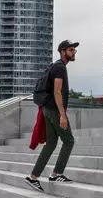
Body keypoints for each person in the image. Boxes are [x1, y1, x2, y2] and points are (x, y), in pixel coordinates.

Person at [26, 39, 79, 189]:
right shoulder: (60, 68)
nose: (73, 52)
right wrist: (62, 115)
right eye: (70, 50)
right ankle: (56, 174)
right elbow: (57, 92)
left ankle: (33, 177)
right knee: (68, 141)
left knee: (51, 143)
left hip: (46, 109)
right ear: (63, 51)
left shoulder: (54, 66)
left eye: (74, 50)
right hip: (54, 110)